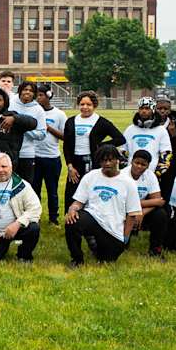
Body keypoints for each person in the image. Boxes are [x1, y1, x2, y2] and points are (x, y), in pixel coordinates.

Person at [64, 145, 142, 266]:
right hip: (93, 217)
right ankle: (77, 259)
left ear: (118, 160)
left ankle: (95, 244)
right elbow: (79, 201)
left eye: (111, 159)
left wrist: (125, 239)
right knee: (72, 221)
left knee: (106, 260)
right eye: (104, 160)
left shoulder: (128, 182)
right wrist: (72, 209)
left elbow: (132, 214)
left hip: (113, 229)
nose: (107, 163)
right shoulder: (91, 176)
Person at [61, 90, 125, 227]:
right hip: (75, 163)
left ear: (94, 105)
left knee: (92, 192)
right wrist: (70, 166)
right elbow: (66, 145)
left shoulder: (101, 122)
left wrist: (100, 146)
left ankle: (93, 222)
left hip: (92, 162)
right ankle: (71, 221)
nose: (85, 107)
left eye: (89, 104)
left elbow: (120, 138)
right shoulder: (71, 121)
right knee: (72, 192)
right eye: (82, 104)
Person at [32, 87, 65, 225]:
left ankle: (53, 219)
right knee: (34, 190)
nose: (38, 98)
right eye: (36, 96)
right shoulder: (33, 112)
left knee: (52, 190)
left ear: (48, 96)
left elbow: (65, 136)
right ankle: (35, 218)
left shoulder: (59, 114)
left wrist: (48, 128)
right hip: (34, 156)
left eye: (41, 95)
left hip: (52, 158)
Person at [126, 150, 167, 258]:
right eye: (136, 162)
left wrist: (142, 212)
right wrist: (136, 209)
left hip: (141, 210)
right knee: (122, 247)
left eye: (143, 164)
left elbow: (158, 201)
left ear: (148, 166)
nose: (139, 166)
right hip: (124, 212)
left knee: (160, 214)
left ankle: (155, 249)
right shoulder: (122, 175)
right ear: (131, 161)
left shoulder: (150, 176)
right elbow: (122, 203)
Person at [123, 96, 175, 181]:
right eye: (141, 108)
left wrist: (157, 173)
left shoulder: (161, 130)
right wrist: (125, 169)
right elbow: (122, 151)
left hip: (152, 175)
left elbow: (166, 154)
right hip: (130, 175)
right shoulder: (130, 129)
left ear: (153, 110)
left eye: (147, 108)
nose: (144, 111)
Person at [11, 81, 49, 182]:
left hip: (27, 154)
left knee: (26, 185)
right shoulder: (10, 103)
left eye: (31, 91)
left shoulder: (38, 109)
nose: (27, 92)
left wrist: (25, 130)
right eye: (25, 89)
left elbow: (42, 134)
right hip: (9, 152)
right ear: (20, 91)